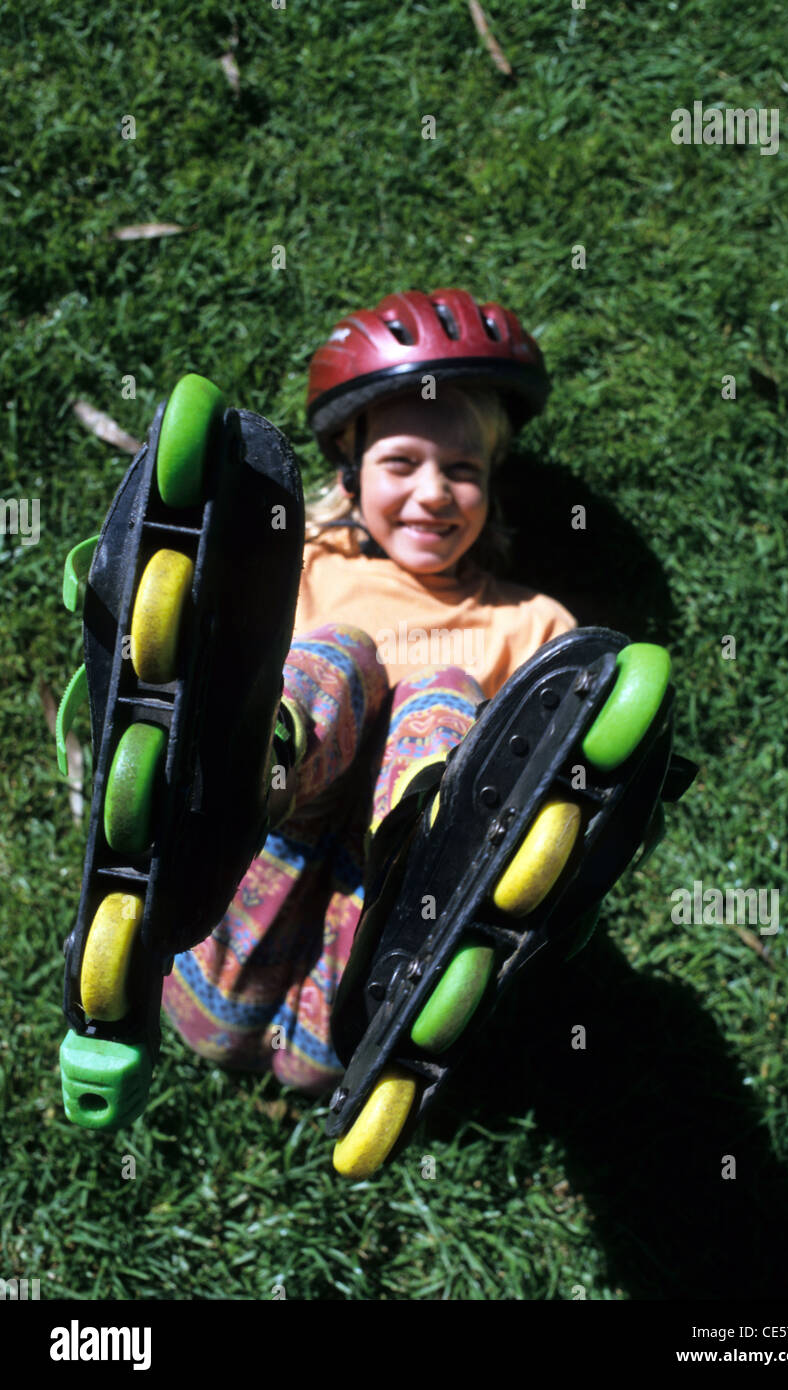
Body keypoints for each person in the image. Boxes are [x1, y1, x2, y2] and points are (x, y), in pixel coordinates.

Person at [160, 287, 579, 1097]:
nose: (432, 494)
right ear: (349, 477)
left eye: (463, 470)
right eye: (400, 463)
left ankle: (433, 857)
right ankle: (250, 764)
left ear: (491, 487)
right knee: (339, 656)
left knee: (447, 697)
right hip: (234, 907)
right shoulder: (306, 561)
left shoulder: (529, 625)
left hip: (368, 971)